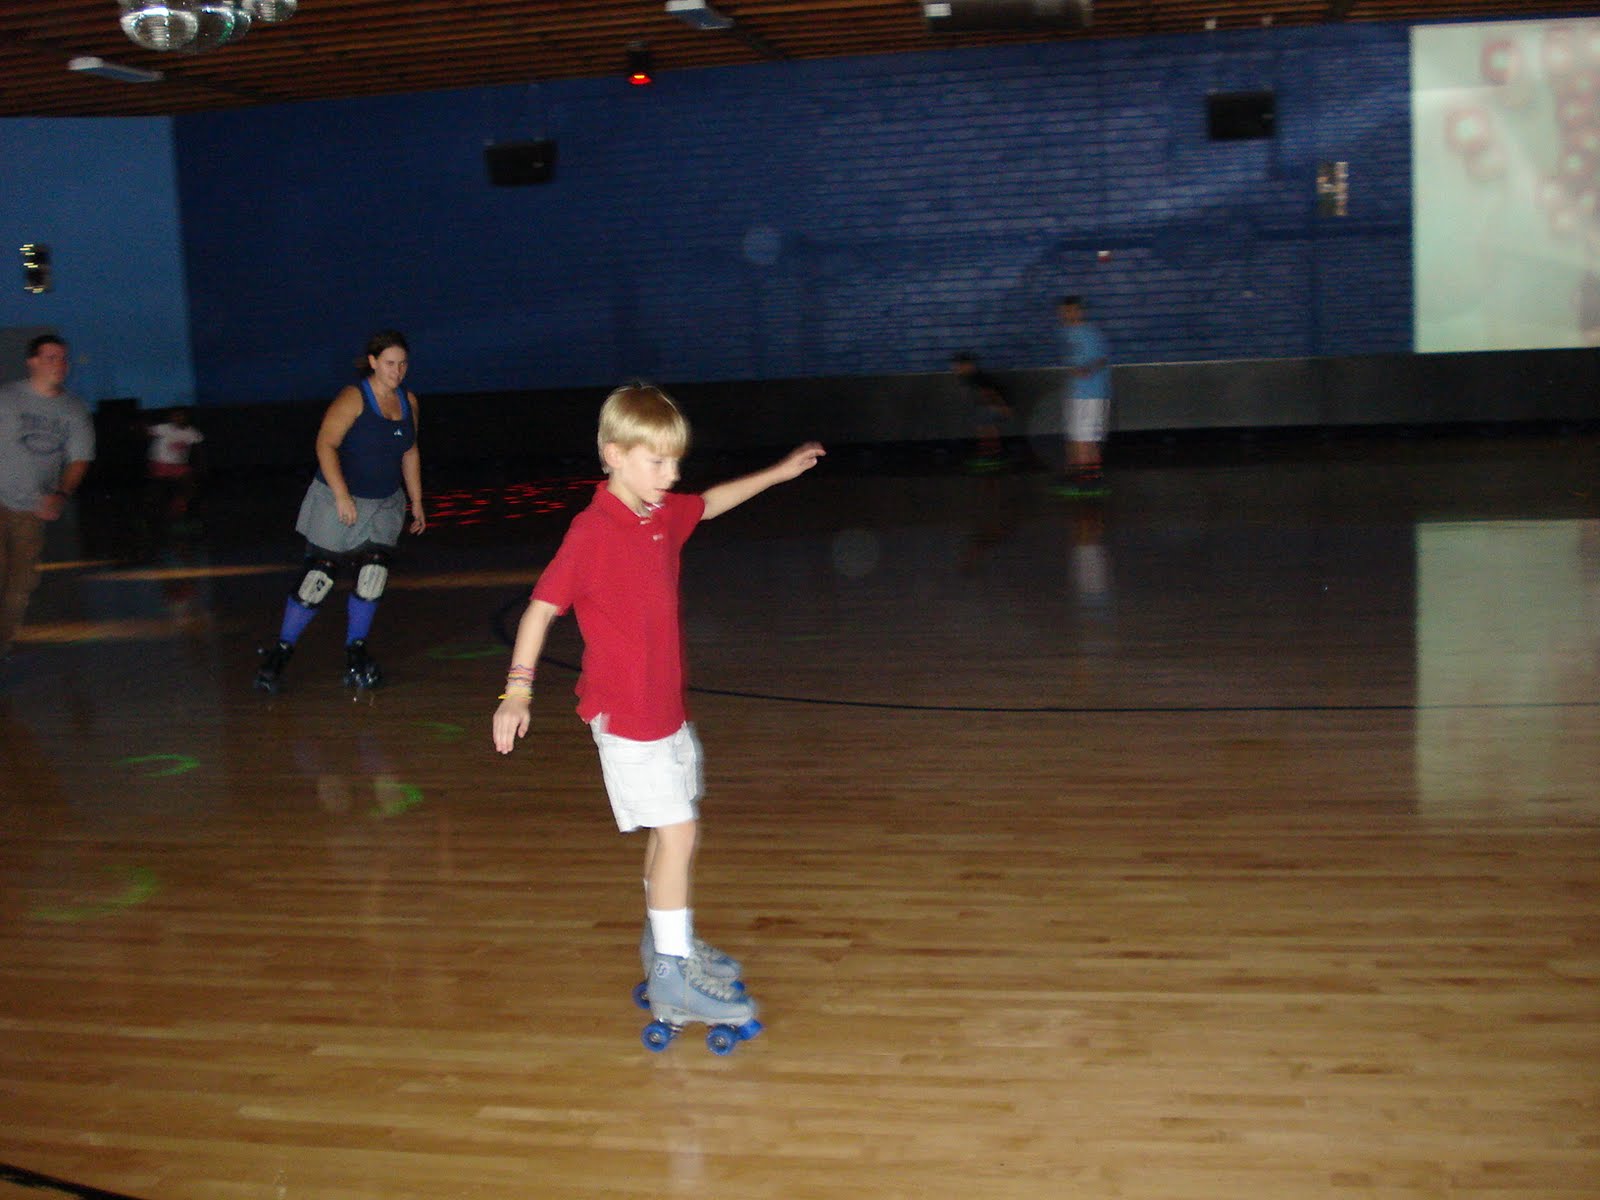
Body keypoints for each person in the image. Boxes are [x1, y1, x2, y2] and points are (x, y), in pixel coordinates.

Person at [492, 383, 824, 1040]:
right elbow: (539, 609)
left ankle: (663, 940)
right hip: (627, 717)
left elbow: (709, 504)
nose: (671, 478)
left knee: (666, 831)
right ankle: (671, 974)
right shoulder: (592, 531)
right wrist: (517, 692)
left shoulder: (657, 512)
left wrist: (780, 473)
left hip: (666, 708)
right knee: (679, 834)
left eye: (675, 463)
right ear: (613, 455)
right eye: (657, 463)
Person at [254, 330, 425, 694]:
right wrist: (342, 494)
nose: (397, 371)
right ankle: (280, 653)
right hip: (340, 498)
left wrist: (417, 501)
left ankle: (356, 651)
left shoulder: (408, 400)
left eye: (403, 364)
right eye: (390, 363)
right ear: (374, 362)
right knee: (320, 576)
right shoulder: (354, 397)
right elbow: (325, 444)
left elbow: (409, 451)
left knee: (374, 572)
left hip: (384, 502)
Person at [0, 335, 95, 660]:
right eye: (51, 357)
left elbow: (80, 458)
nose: (60, 364)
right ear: (33, 362)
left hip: (31, 507)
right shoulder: (6, 399)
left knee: (21, 582)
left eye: (64, 358)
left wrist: (61, 493)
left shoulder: (73, 410)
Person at [1055, 295, 1111, 496]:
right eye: (1063, 311)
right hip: (1077, 392)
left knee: (1085, 437)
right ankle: (1083, 473)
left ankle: (1089, 477)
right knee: (1077, 436)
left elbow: (1102, 358)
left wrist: (1087, 369)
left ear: (1079, 311)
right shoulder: (1067, 334)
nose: (1066, 314)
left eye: (1070, 310)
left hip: (1091, 392)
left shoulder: (1089, 333)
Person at [144, 406, 205, 541]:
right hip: (160, 464)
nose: (178, 419)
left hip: (178, 466)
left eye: (181, 416)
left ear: (186, 417)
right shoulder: (164, 428)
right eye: (175, 416)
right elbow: (146, 431)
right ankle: (154, 519)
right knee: (157, 494)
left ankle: (178, 511)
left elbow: (198, 449)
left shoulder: (192, 432)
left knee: (189, 487)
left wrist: (199, 466)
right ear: (171, 418)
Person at [950, 351, 1013, 471]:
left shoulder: (975, 378)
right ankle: (991, 453)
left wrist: (1002, 407)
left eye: (959, 365)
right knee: (982, 422)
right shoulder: (971, 377)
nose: (956, 368)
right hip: (998, 406)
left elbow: (991, 394)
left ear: (967, 366)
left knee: (984, 423)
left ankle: (992, 454)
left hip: (1000, 406)